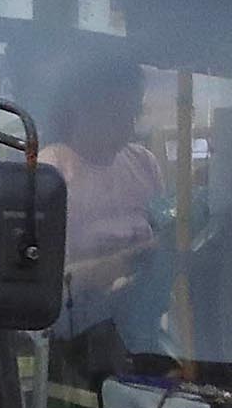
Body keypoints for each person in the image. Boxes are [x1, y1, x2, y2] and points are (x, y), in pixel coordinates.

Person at [41, 54, 166, 332]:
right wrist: (123, 262)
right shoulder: (52, 172)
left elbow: (163, 236)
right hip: (74, 333)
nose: (127, 128)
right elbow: (44, 285)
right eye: (115, 115)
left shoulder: (144, 164)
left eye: (133, 115)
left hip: (139, 326)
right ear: (78, 105)